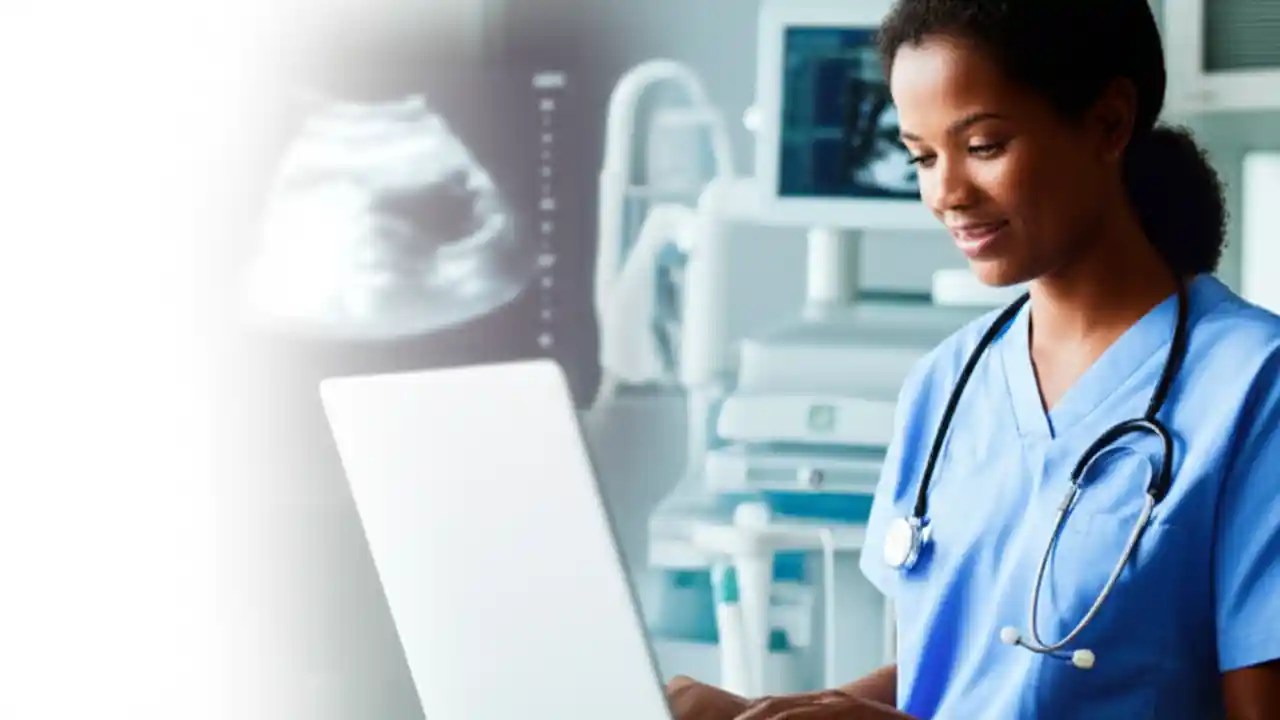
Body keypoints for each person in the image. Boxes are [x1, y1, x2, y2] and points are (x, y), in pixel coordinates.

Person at [667, 0, 1280, 717]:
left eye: (984, 146)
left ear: (1109, 122)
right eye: (922, 157)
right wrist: (780, 709)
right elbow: (966, 662)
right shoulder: (946, 381)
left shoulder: (1252, 387)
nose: (946, 194)